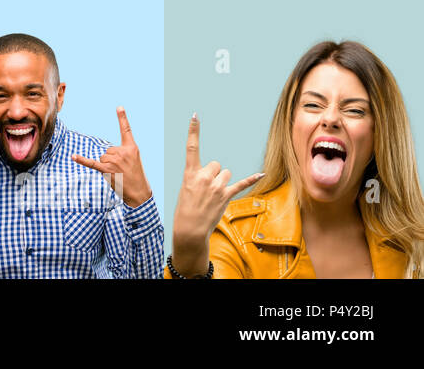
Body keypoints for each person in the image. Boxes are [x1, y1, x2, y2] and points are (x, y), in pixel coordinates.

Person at [0, 33, 164, 278]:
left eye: (33, 94)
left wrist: (140, 201)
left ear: (59, 96)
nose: (17, 111)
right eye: (0, 96)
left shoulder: (105, 166)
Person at [167, 40, 424, 279]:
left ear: (380, 135)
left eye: (355, 110)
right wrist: (188, 261)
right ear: (290, 125)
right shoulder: (236, 235)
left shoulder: (412, 247)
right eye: (313, 105)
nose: (331, 118)